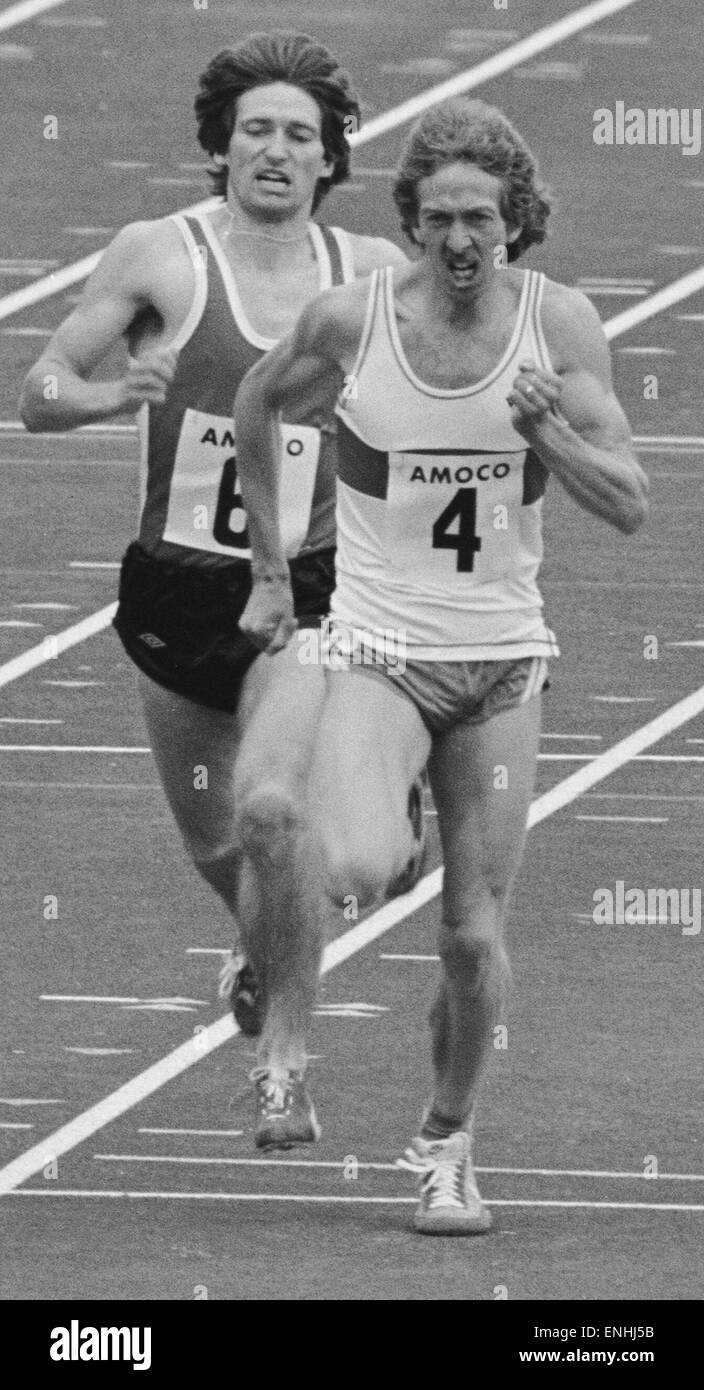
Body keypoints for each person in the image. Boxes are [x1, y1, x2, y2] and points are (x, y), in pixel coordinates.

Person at [232, 96, 649, 1231]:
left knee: (471, 938)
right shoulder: (348, 320)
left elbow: (627, 503)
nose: (460, 241)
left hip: (502, 662)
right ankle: (378, 829)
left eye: (481, 218)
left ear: (515, 220)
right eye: (437, 220)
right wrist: (273, 572)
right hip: (377, 646)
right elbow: (255, 404)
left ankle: (444, 1141)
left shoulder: (557, 330)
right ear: (409, 222)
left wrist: (546, 433)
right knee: (351, 867)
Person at [19, 31, 419, 1151]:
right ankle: (270, 940)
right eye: (256, 132)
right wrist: (109, 397)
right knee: (227, 852)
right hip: (173, 598)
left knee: (272, 808)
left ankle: (283, 1058)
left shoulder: (373, 279)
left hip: (307, 596)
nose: (277, 152)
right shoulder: (159, 255)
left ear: (333, 156)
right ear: (220, 145)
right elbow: (39, 392)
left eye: (300, 134)